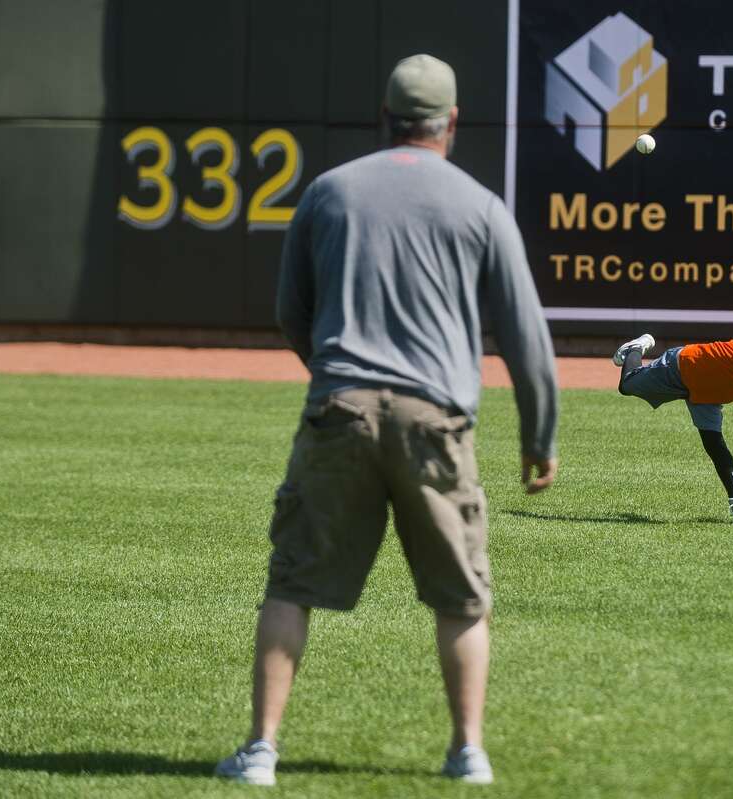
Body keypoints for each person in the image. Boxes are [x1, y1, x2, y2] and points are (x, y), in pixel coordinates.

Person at [215, 54, 559, 787]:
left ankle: (260, 752)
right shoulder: (481, 205)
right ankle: (467, 751)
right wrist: (539, 436)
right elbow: (526, 335)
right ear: (452, 121)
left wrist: (333, 377)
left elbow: (290, 311)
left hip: (338, 408)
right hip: (436, 419)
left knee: (292, 582)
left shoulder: (329, 192)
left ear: (386, 116)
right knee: (463, 595)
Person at [612, 302, 733, 527]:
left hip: (707, 397)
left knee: (715, 445)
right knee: (627, 385)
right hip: (680, 369)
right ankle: (636, 347)